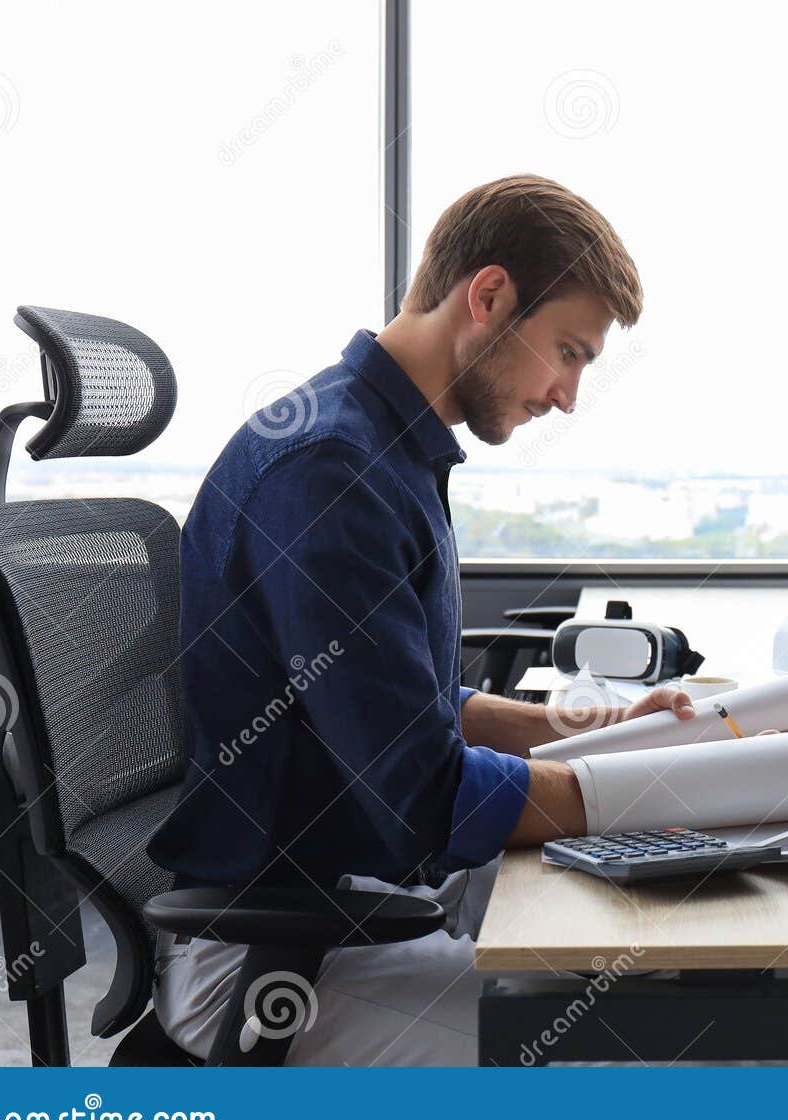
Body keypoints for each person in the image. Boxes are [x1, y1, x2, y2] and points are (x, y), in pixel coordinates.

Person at [147, 174, 691, 1064]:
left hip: (354, 906)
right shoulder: (331, 473)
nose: (567, 394)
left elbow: (430, 710)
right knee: (643, 1043)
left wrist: (601, 731)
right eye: (568, 351)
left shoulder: (384, 448)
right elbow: (426, 793)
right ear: (488, 297)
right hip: (277, 960)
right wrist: (664, 793)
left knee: (664, 958)